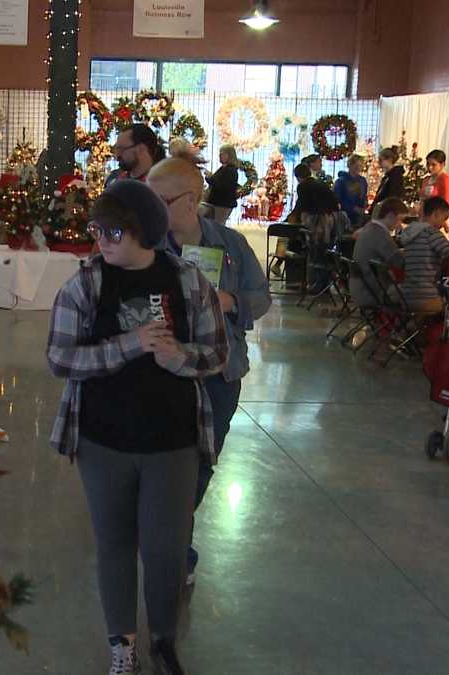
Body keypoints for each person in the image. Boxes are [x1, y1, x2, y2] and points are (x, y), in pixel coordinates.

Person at [46, 179, 228, 675]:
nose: (101, 240)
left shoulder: (189, 282)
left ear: (144, 232)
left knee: (167, 550)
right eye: (96, 230)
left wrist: (180, 357)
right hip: (103, 441)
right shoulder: (85, 283)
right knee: (115, 544)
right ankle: (121, 646)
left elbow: (218, 353)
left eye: (113, 231)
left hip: (173, 442)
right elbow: (59, 358)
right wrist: (129, 345)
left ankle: (164, 641)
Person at [148, 157, 270, 586]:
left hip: (219, 373)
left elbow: (261, 297)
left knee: (201, 463)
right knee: (162, 465)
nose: (155, 209)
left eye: (163, 201)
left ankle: (175, 544)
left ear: (192, 199)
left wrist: (228, 301)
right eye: (151, 199)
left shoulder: (231, 245)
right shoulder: (145, 246)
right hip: (161, 374)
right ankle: (170, 547)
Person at [397, 196, 449, 316]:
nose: (443, 224)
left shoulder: (410, 232)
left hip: (405, 295)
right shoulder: (431, 233)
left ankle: (417, 329)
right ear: (435, 214)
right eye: (444, 218)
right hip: (425, 296)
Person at [288, 163, 344, 291]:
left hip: (316, 222)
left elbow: (301, 205)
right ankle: (325, 284)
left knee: (314, 253)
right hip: (331, 221)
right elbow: (335, 203)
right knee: (325, 252)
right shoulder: (321, 184)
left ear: (298, 177)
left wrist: (292, 218)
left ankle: (314, 285)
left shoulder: (303, 186)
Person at [349, 197, 406, 308]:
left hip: (359, 288)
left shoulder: (368, 229)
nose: (400, 225)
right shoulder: (380, 233)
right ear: (390, 215)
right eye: (400, 220)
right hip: (373, 293)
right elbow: (399, 263)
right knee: (420, 292)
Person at [198, 144, 240, 225]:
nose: (220, 156)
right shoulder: (224, 168)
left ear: (230, 155)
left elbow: (222, 186)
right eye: (220, 153)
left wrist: (210, 178)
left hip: (223, 204)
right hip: (216, 203)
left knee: (219, 227)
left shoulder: (230, 170)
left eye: (223, 154)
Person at [334, 155, 369, 228]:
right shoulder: (341, 181)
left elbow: (364, 195)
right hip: (345, 216)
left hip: (360, 215)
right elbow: (337, 199)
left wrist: (365, 205)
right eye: (356, 166)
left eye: (360, 166)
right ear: (350, 165)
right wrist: (352, 208)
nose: (358, 168)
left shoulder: (363, 181)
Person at [369, 146, 405, 216]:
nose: (379, 162)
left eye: (381, 160)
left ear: (389, 160)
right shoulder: (387, 176)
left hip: (387, 212)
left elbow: (392, 195)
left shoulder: (395, 176)